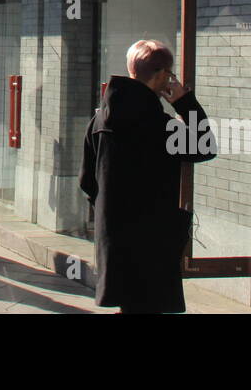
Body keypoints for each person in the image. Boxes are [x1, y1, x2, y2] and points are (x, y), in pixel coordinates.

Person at [79, 40, 216, 314]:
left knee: (129, 304)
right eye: (170, 74)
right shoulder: (160, 125)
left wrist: (109, 211)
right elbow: (205, 146)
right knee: (147, 304)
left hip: (114, 234)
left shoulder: (99, 121)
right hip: (152, 237)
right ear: (162, 75)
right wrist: (184, 101)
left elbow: (87, 181)